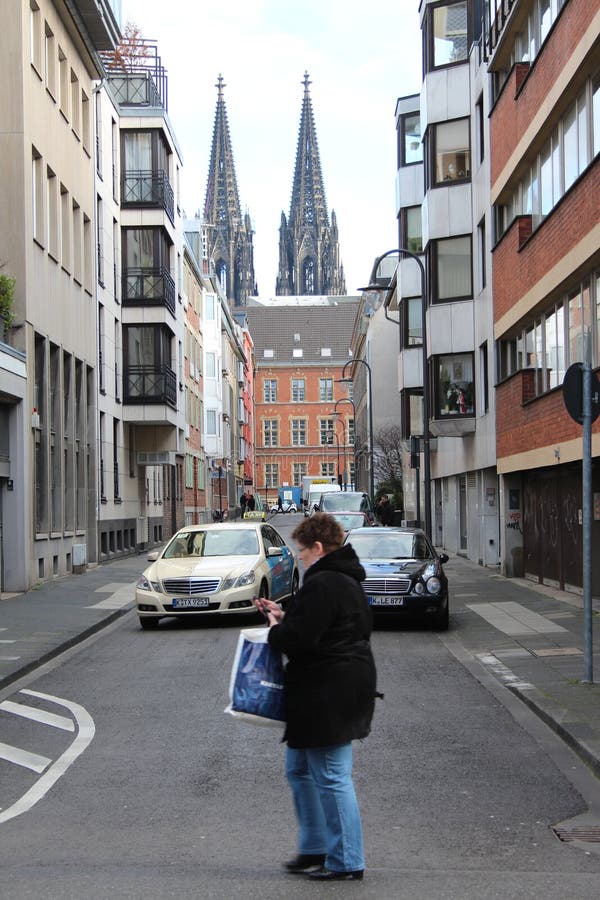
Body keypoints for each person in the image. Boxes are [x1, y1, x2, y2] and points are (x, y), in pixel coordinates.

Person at [254, 513, 377, 881]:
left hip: (329, 692)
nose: (300, 557)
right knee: (302, 769)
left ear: (319, 548)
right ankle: (315, 847)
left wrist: (277, 628)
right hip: (333, 687)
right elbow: (323, 624)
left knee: (331, 775)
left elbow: (299, 640)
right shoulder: (341, 580)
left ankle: (345, 860)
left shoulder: (324, 582)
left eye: (303, 551)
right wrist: (286, 613)